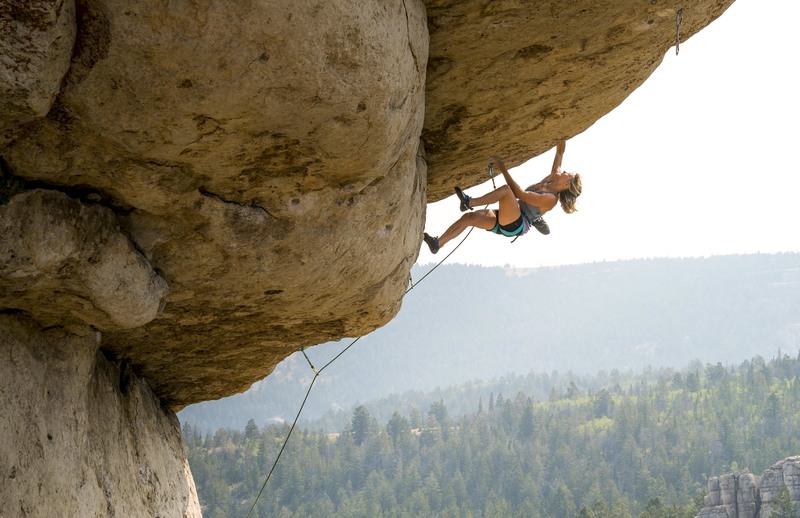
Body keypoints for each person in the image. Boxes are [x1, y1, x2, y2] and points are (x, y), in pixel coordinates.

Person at [423, 140, 581, 254]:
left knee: (506, 191)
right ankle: (437, 243)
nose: (566, 171)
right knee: (468, 218)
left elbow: (520, 194)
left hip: (518, 223)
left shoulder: (551, 199)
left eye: (569, 174)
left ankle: (469, 201)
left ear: (567, 184)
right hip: (509, 215)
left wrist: (503, 169)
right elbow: (560, 151)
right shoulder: (554, 176)